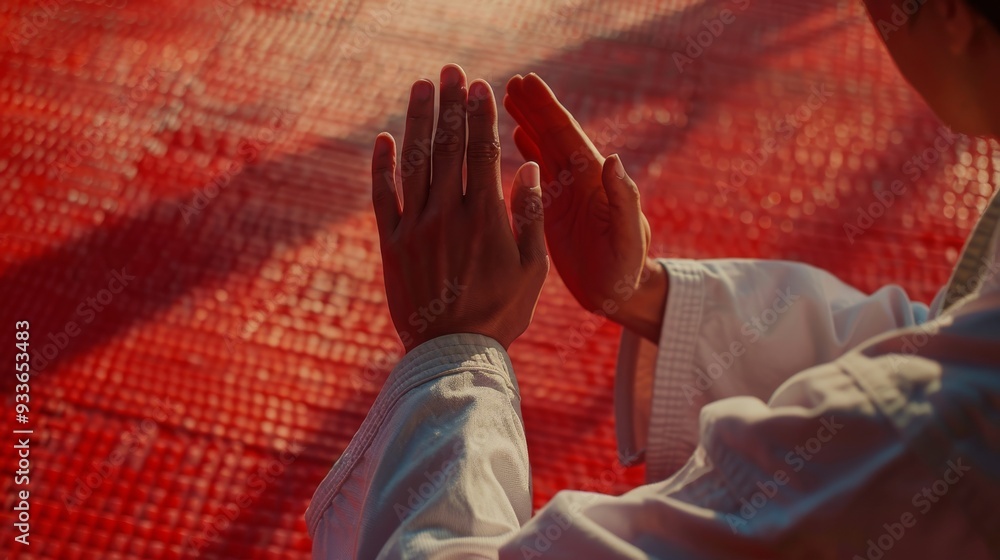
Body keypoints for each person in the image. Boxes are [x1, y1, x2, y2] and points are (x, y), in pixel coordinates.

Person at [306, 0, 1000, 557]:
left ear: (949, 15)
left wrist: (452, 352)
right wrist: (646, 294)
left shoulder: (932, 442)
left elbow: (907, 407)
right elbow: (934, 343)